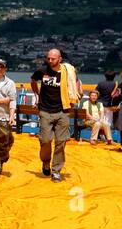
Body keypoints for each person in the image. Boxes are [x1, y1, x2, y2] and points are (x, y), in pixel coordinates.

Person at [30, 47, 83, 181]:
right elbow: (33, 80)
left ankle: (56, 171)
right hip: (45, 110)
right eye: (48, 58)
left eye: (53, 58)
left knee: (61, 141)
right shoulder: (42, 70)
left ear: (60, 59)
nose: (50, 60)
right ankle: (46, 162)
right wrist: (37, 95)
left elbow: (75, 82)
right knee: (45, 140)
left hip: (63, 111)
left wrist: (75, 95)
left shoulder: (68, 71)